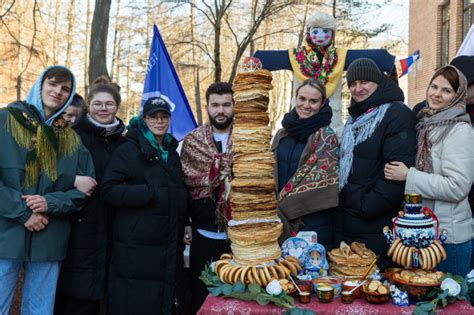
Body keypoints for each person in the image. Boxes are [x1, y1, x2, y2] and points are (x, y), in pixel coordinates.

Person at [0, 66, 95, 314]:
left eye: (65, 89)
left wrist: (49, 203)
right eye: (52, 84)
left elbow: (85, 189)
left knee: (40, 309)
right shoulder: (6, 120)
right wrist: (22, 212)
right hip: (5, 233)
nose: (58, 92)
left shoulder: (71, 139)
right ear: (40, 84)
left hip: (49, 235)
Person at [101, 96, 189, 315]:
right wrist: (146, 194)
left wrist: (185, 220)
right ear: (144, 119)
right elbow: (108, 189)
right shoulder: (128, 149)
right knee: (138, 302)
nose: (159, 121)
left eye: (164, 116)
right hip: (136, 248)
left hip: (168, 241)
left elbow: (179, 190)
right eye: (153, 117)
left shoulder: (172, 152)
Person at [384, 65, 473, 276]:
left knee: (447, 305)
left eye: (446, 90)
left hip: (447, 239)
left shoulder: (459, 130)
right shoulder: (426, 124)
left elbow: (457, 187)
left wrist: (409, 176)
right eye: (434, 86)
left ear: (457, 96)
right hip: (422, 235)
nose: (437, 94)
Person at [334, 58, 417, 269]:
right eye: (352, 84)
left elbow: (395, 173)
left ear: (378, 82)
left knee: (372, 286)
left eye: (364, 82)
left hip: (375, 222)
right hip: (350, 218)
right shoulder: (356, 116)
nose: (357, 88)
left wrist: (364, 206)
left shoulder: (396, 114)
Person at [55, 76, 126, 314]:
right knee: (78, 295)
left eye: (109, 104)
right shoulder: (73, 137)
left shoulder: (125, 143)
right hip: (80, 224)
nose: (103, 108)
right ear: (89, 105)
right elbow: (55, 174)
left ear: (117, 106)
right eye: (97, 103)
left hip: (115, 225)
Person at [180, 82, 234, 313]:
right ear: (207, 107)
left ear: (234, 106)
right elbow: (184, 183)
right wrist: (186, 223)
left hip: (240, 235)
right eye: (215, 105)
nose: (221, 110)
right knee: (201, 293)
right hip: (202, 233)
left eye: (226, 105)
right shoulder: (192, 141)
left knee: (238, 293)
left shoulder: (249, 139)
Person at [270, 79, 339, 249]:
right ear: (295, 99)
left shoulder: (326, 137)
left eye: (313, 101)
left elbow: (321, 183)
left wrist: (280, 208)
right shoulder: (282, 134)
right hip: (277, 220)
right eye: (302, 99)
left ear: (322, 104)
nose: (306, 105)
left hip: (311, 224)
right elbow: (270, 170)